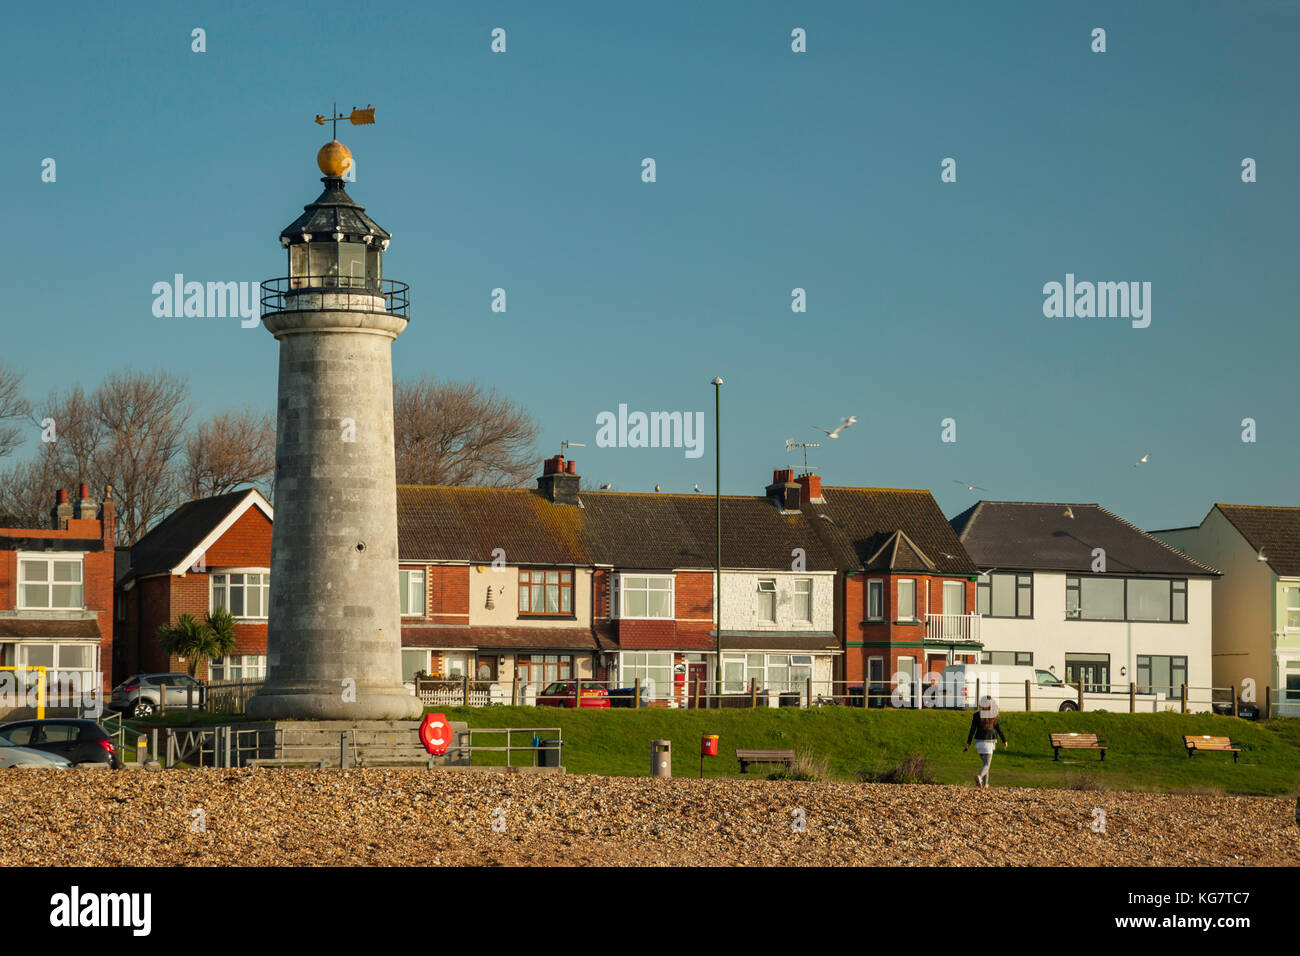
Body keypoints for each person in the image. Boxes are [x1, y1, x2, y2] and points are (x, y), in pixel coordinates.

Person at [964, 695, 1008, 787]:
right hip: (989, 742)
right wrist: (1004, 740)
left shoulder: (976, 715)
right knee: (987, 765)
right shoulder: (994, 714)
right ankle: (979, 776)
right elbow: (999, 729)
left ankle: (986, 784)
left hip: (979, 743)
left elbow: (972, 730)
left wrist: (968, 743)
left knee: (985, 764)